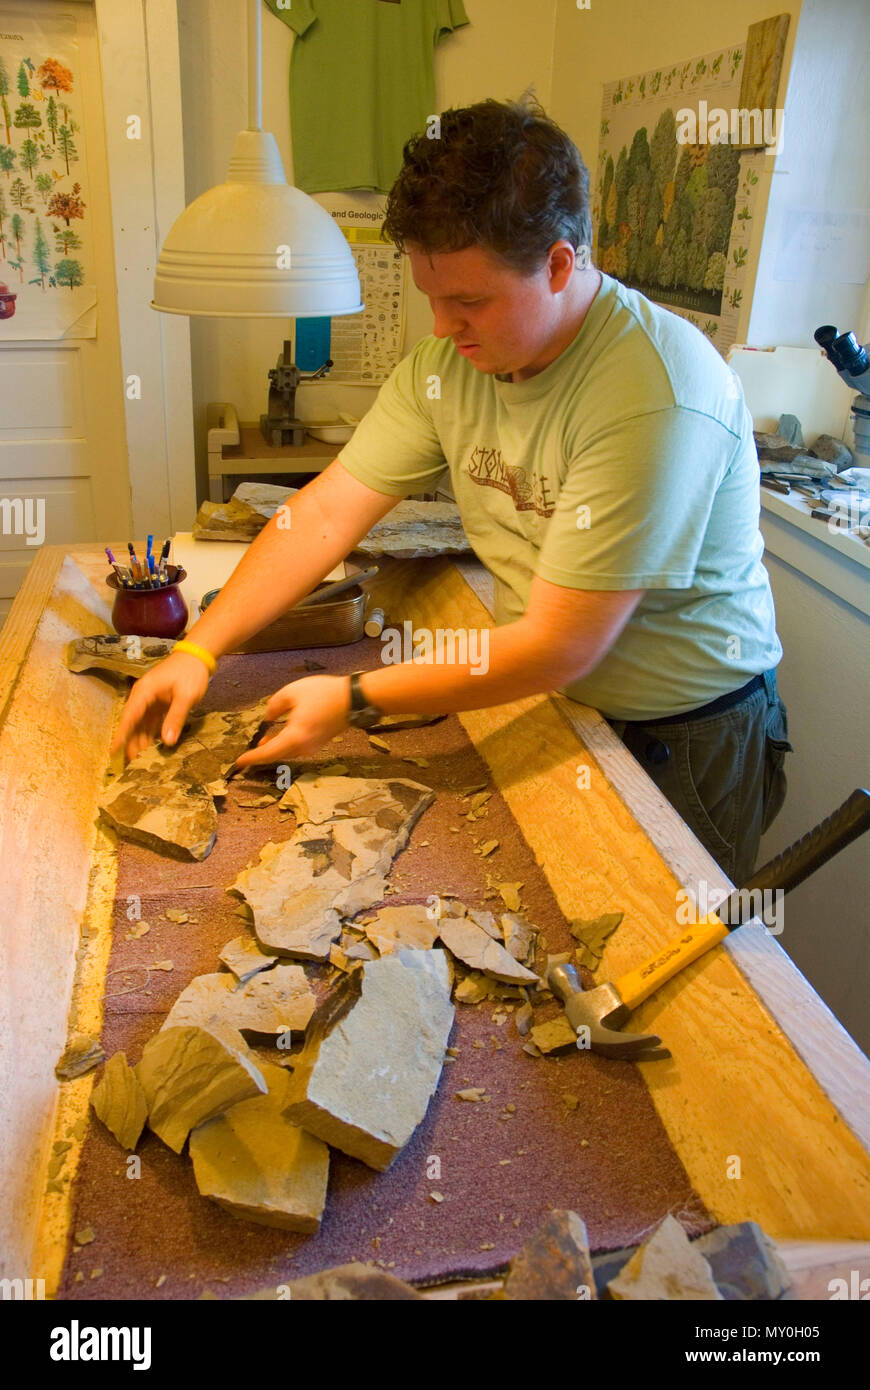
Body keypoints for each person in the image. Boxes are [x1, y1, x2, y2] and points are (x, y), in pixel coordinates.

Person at [112, 96, 791, 886]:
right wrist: (202, 646)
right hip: (554, 700)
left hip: (686, 736)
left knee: (676, 974)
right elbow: (326, 512)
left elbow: (558, 642)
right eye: (432, 296)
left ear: (561, 264)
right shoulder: (451, 364)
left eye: (468, 301)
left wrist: (355, 698)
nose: (441, 327)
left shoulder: (655, 394)